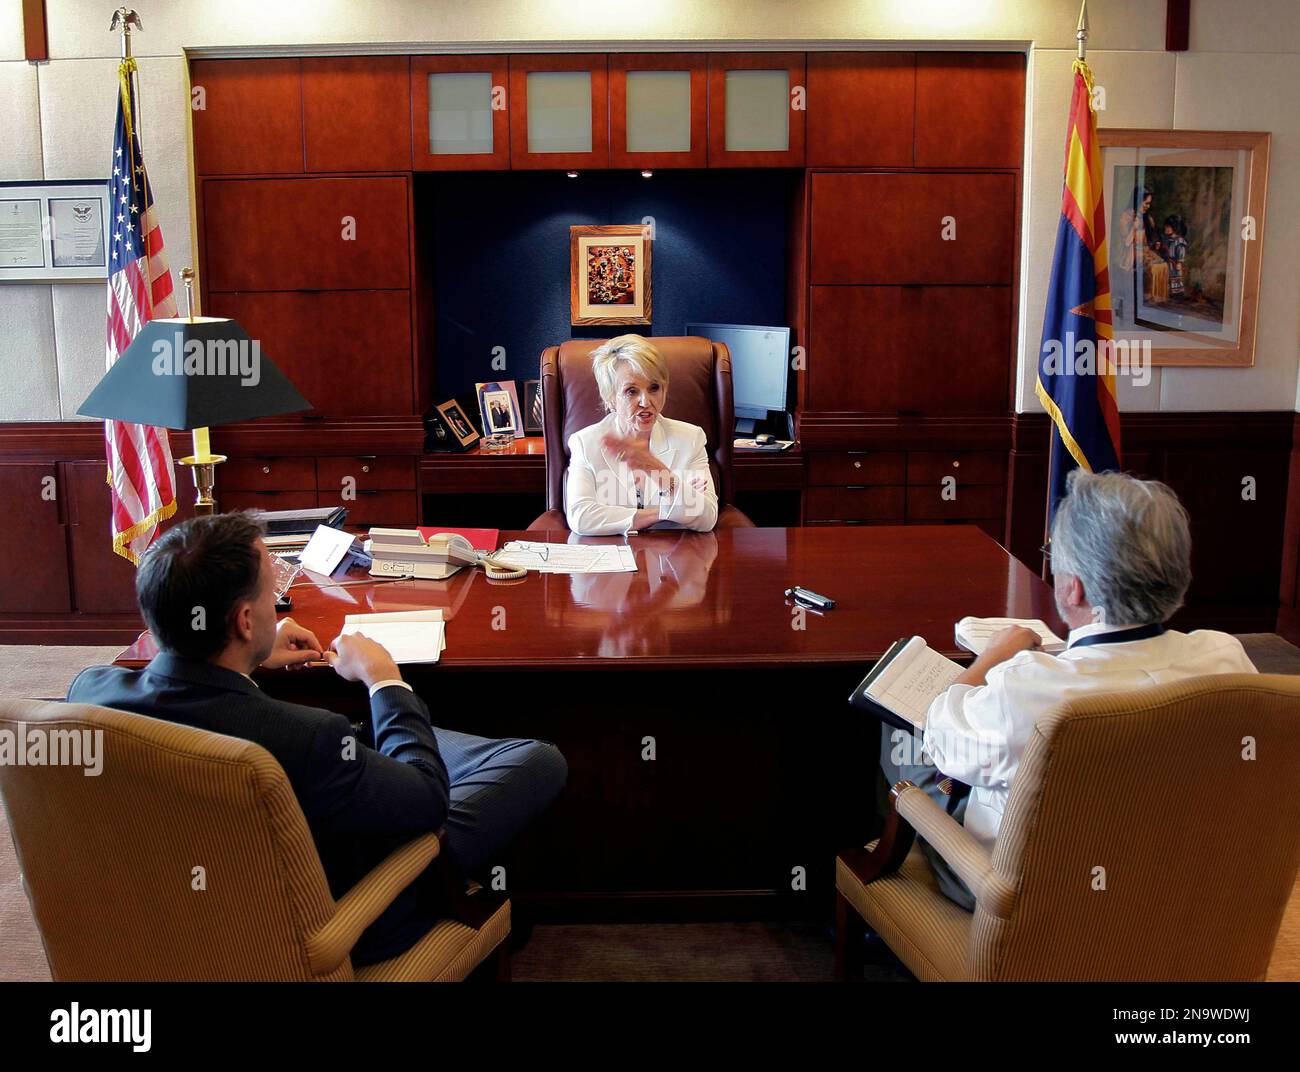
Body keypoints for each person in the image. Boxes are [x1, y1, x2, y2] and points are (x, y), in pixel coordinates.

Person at [67, 513, 567, 966]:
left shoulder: (88, 693)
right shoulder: (309, 738)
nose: (275, 603)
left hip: (168, 916)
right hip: (337, 923)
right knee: (537, 761)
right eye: (270, 594)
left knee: (362, 741)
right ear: (243, 620)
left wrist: (245, 658)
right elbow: (427, 802)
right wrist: (384, 681)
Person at [879, 470, 1257, 910]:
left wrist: (990, 660)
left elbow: (943, 731)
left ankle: (877, 892)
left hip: (1028, 899)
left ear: (1073, 588)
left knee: (901, 733)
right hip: (1177, 885)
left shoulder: (1027, 691)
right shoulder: (1226, 659)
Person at [564, 334, 719, 536]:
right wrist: (667, 510)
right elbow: (581, 517)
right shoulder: (585, 443)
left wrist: (655, 469)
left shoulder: (690, 438)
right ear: (610, 397)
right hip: (610, 558)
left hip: (672, 559)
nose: (645, 402)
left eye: (654, 388)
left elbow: (707, 518)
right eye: (631, 391)